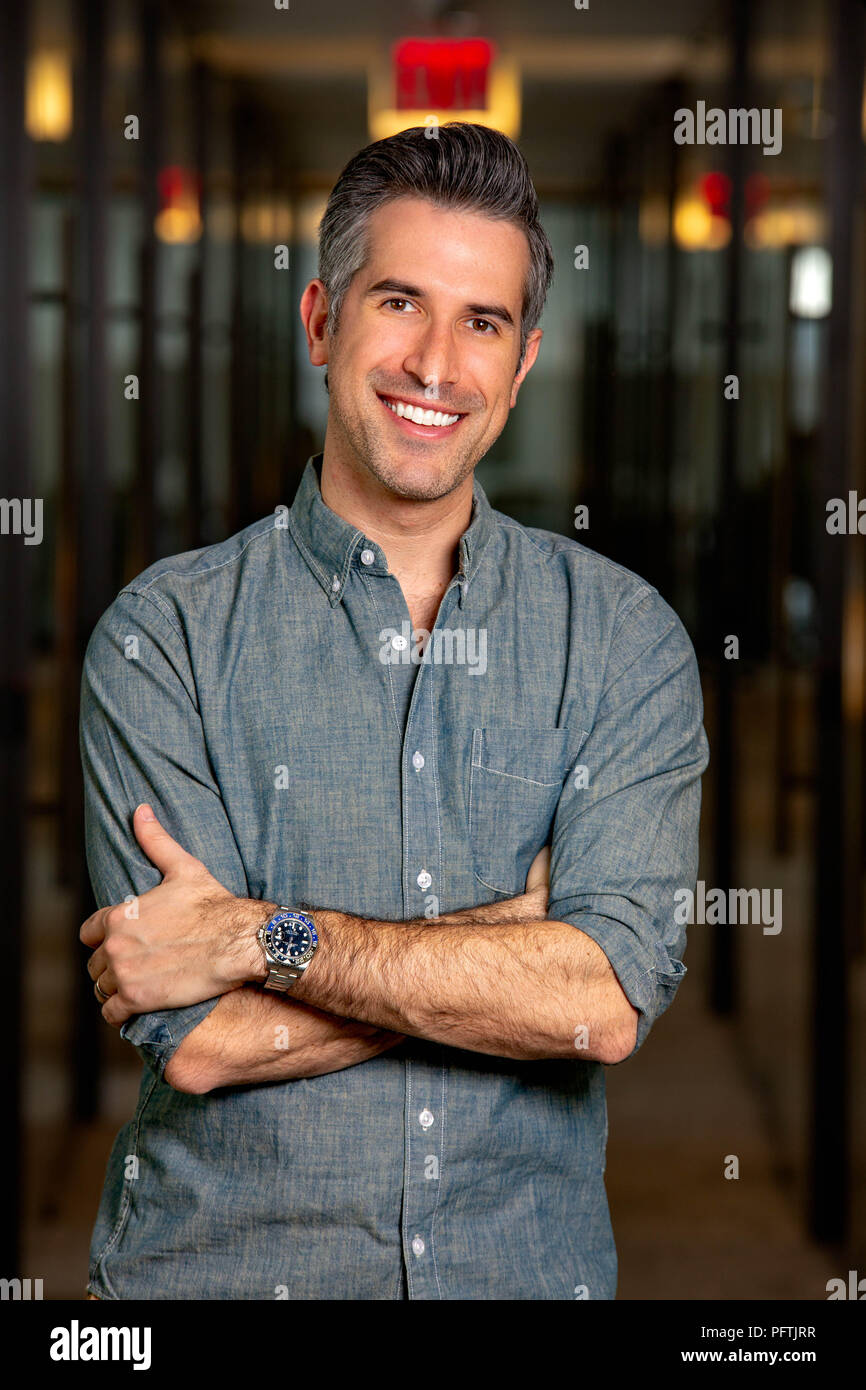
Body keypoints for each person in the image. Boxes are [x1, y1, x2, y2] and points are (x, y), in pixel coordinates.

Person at [79, 121, 709, 1301]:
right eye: (399, 302)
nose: (434, 364)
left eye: (481, 323)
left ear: (521, 365)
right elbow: (202, 1040)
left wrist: (261, 939)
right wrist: (510, 944)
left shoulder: (622, 641)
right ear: (320, 320)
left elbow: (601, 1004)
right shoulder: (161, 635)